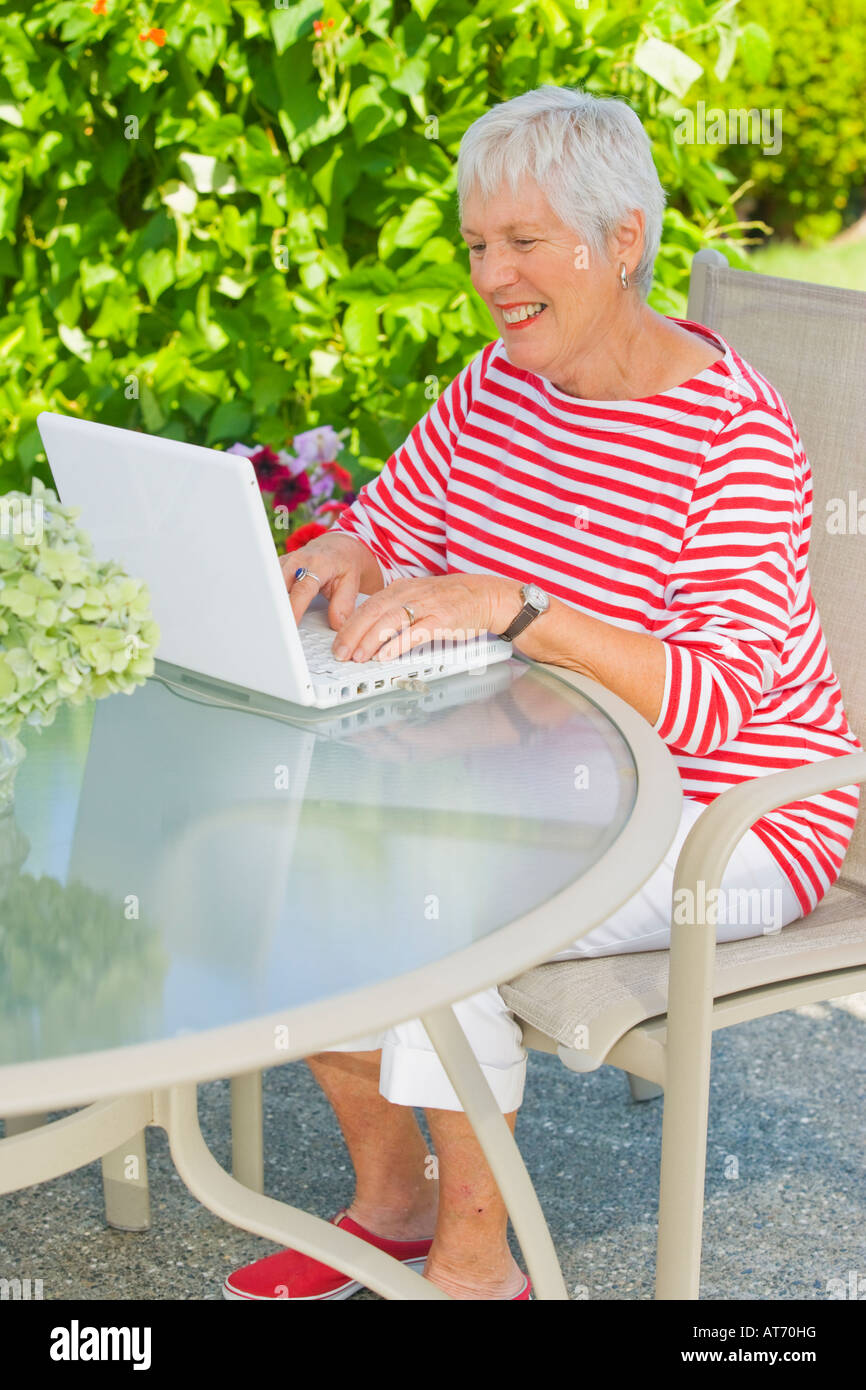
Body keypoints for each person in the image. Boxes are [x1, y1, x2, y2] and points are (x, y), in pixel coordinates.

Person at [223, 85, 862, 1301]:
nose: (490, 276)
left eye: (521, 243)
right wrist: (345, 553)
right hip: (537, 768)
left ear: (619, 241)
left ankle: (478, 1268)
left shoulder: (733, 438)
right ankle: (394, 1202)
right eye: (475, 245)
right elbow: (386, 522)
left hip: (731, 812)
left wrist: (514, 605)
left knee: (438, 893)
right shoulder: (498, 384)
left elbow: (711, 705)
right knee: (285, 838)